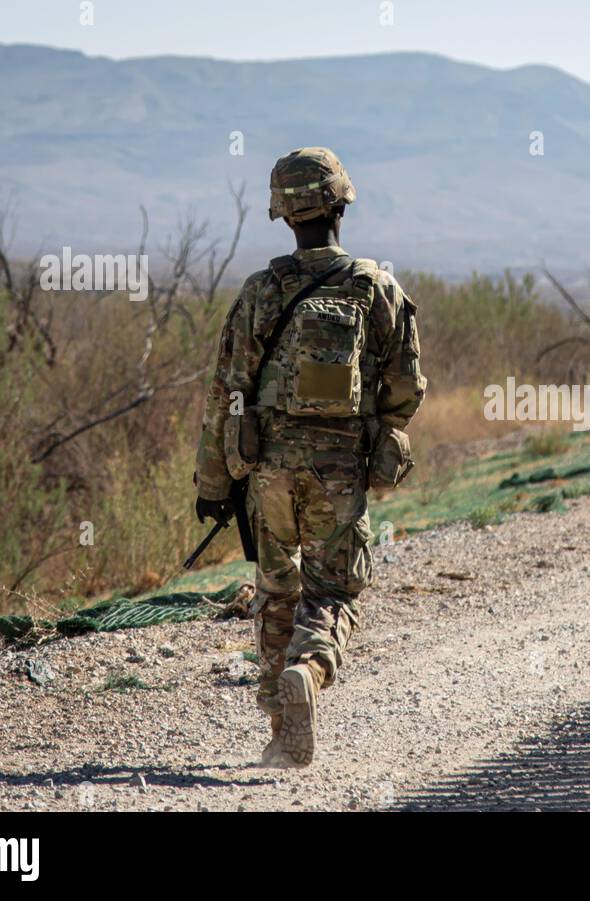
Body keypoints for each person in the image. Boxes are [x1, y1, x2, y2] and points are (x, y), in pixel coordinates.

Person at [194, 147, 426, 767]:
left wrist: (213, 483)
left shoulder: (258, 292)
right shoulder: (376, 288)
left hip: (267, 470)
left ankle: (280, 727)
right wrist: (380, 430)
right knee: (337, 589)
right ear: (341, 204)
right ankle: (310, 667)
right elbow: (403, 388)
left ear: (282, 214)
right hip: (339, 469)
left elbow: (225, 395)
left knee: (276, 590)